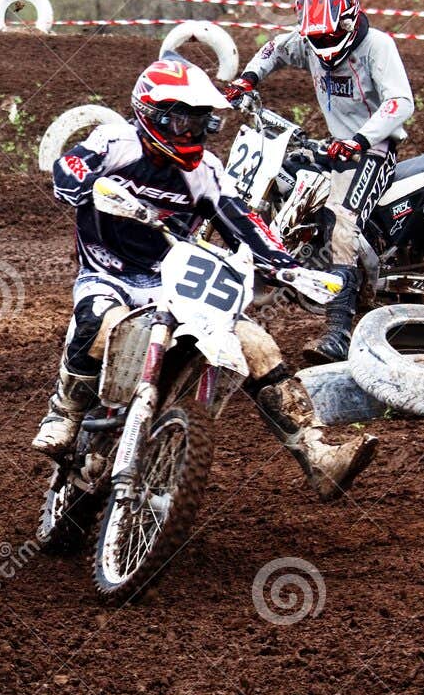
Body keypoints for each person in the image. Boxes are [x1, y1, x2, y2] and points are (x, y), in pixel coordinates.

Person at [31, 57, 377, 501]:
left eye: (199, 122)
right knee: (99, 318)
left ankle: (317, 453)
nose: (191, 132)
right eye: (181, 120)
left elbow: (244, 222)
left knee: (257, 345)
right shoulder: (116, 142)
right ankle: (66, 411)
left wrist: (287, 266)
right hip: (108, 270)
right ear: (151, 114)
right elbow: (70, 169)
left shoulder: (204, 171)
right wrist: (83, 183)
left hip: (172, 277)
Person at [223, 0, 414, 364]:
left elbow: (400, 102)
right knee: (283, 177)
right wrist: (247, 79)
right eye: (316, 37)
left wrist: (359, 139)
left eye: (328, 37)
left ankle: (339, 329)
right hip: (334, 146)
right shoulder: (309, 41)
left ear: (347, 20)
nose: (323, 45)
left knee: (340, 221)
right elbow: (274, 49)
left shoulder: (378, 46)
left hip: (372, 149)